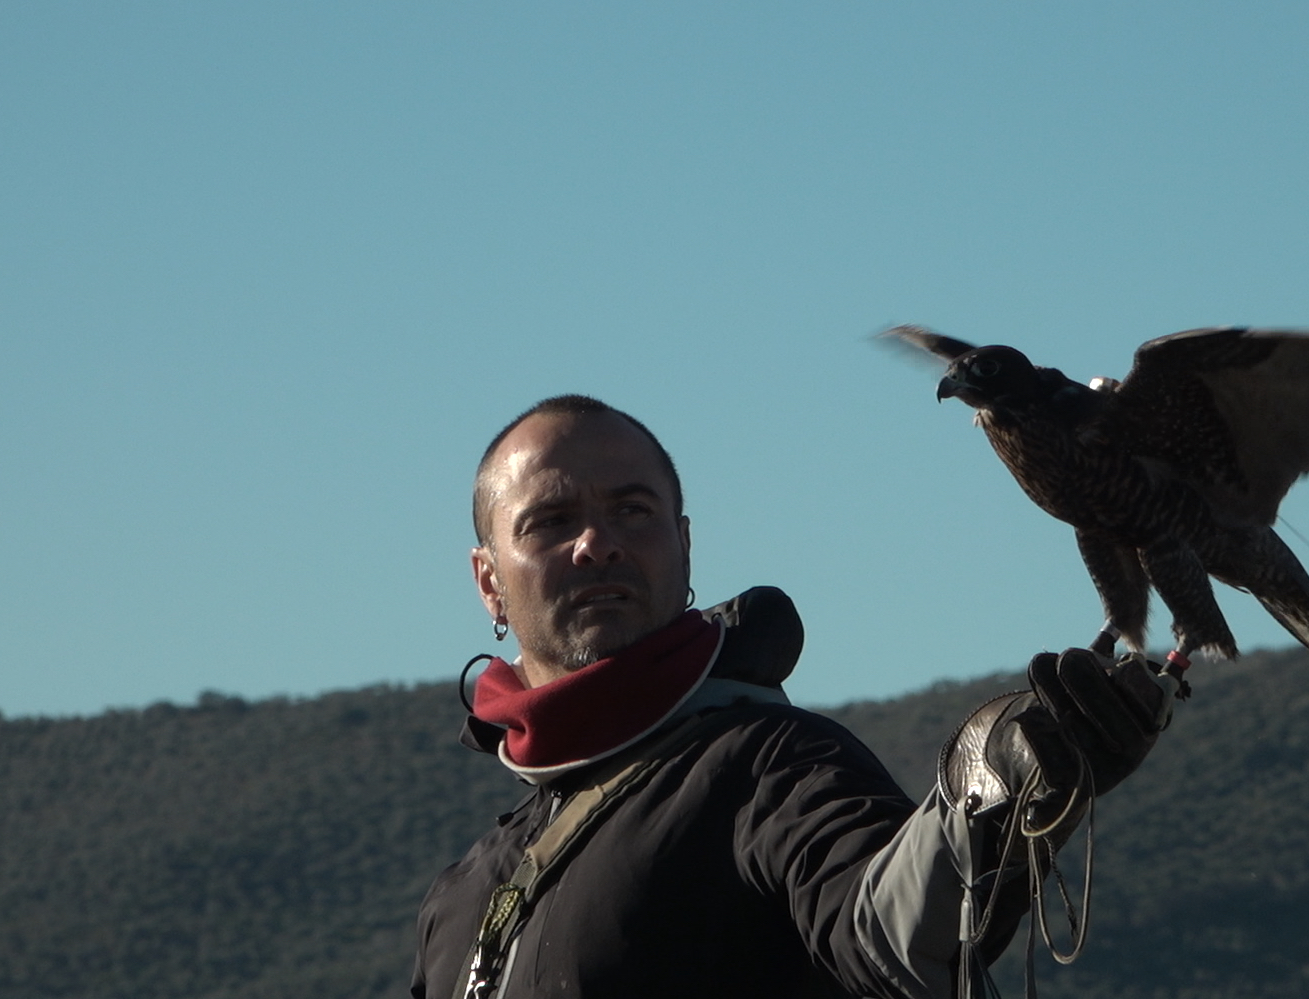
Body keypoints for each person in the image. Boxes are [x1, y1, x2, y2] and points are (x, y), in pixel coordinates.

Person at [410, 395, 1170, 999]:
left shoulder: (766, 767)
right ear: (488, 583)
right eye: (551, 521)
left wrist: (987, 801)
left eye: (632, 511)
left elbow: (885, 934)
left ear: (684, 547)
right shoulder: (462, 894)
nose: (597, 543)